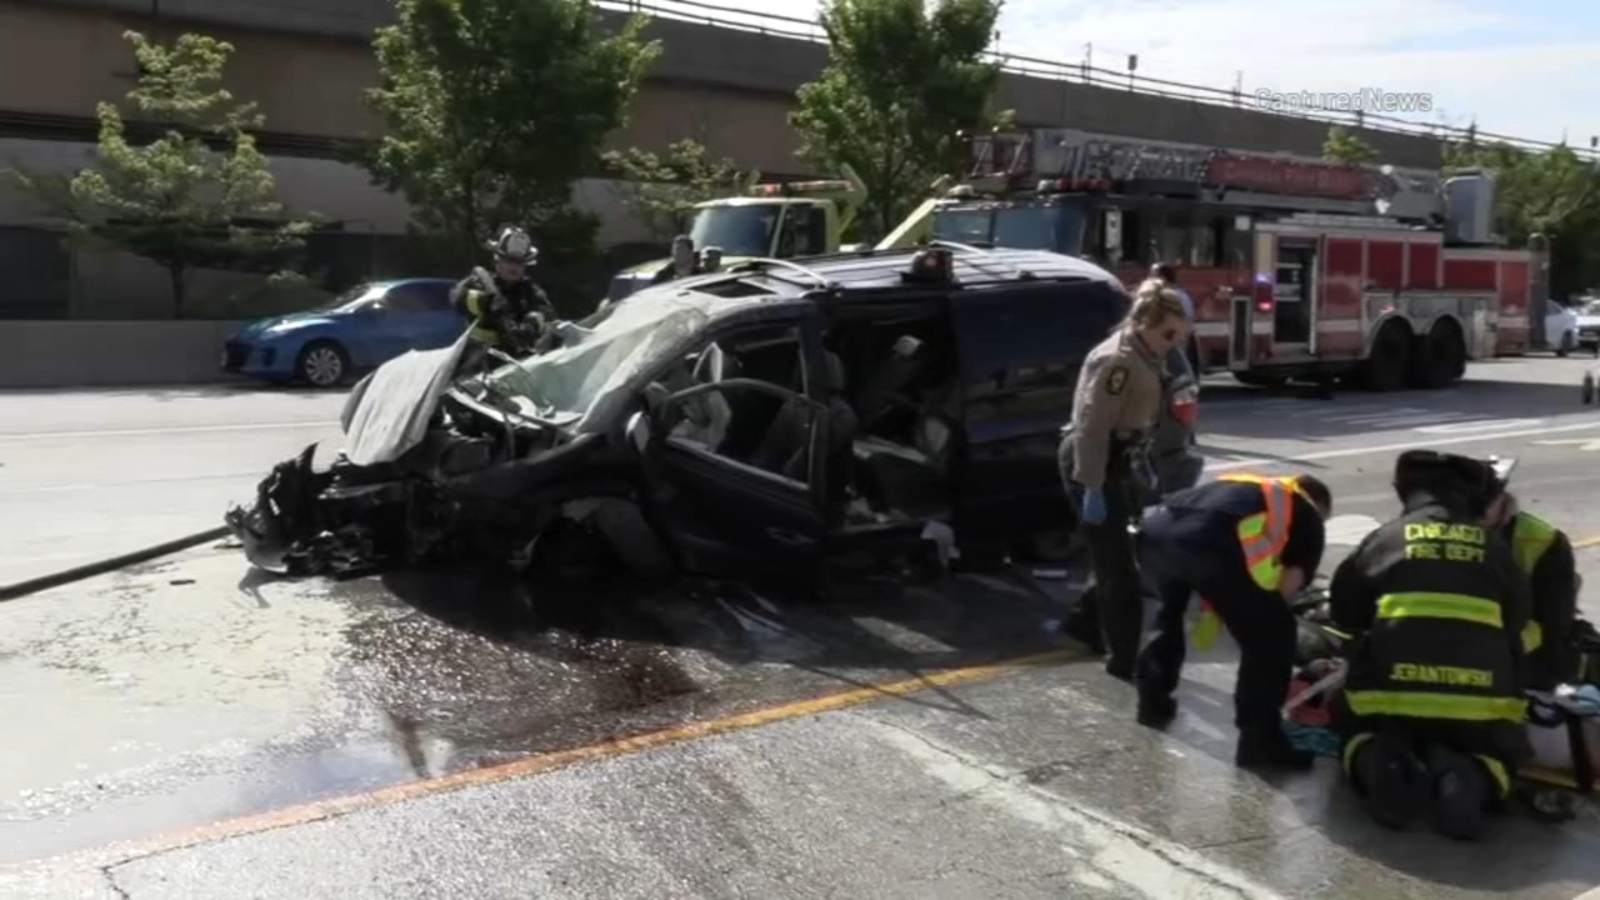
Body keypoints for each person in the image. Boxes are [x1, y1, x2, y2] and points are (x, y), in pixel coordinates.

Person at [1328, 449, 1532, 840]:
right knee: (1498, 752)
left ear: (1404, 492)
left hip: (1388, 699)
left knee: (1355, 727)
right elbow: (1517, 620)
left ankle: (1376, 764)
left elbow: (1345, 615)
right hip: (1478, 706)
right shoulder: (1495, 549)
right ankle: (1473, 776)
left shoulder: (1383, 539)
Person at [1133, 472, 1333, 768]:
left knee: (1169, 611)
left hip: (1154, 534)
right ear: (1317, 504)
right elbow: (1288, 586)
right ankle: (1260, 742)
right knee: (1273, 634)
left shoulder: (1250, 488)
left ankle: (1152, 701)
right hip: (1208, 543)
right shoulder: (1305, 513)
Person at [1056, 282, 1190, 679]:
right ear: (1145, 323)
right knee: (1122, 571)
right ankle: (1125, 660)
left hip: (1120, 459)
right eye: (1169, 334)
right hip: (1093, 461)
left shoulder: (1146, 353)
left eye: (1179, 337)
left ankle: (1084, 623)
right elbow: (1092, 428)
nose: (1174, 344)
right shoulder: (1117, 361)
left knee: (1117, 552)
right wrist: (1093, 486)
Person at [1481, 456, 1582, 690]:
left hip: (1524, 658)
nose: (1475, 511)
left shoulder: (1542, 541)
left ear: (1502, 499)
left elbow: (1552, 624)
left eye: (1484, 502)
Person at [450, 225, 554, 357]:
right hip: (480, 359)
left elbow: (551, 320)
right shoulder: (480, 283)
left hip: (521, 359)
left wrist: (535, 326)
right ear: (497, 260)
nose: (514, 267)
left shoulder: (531, 291)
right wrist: (483, 301)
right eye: (509, 260)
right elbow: (456, 298)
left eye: (520, 262)